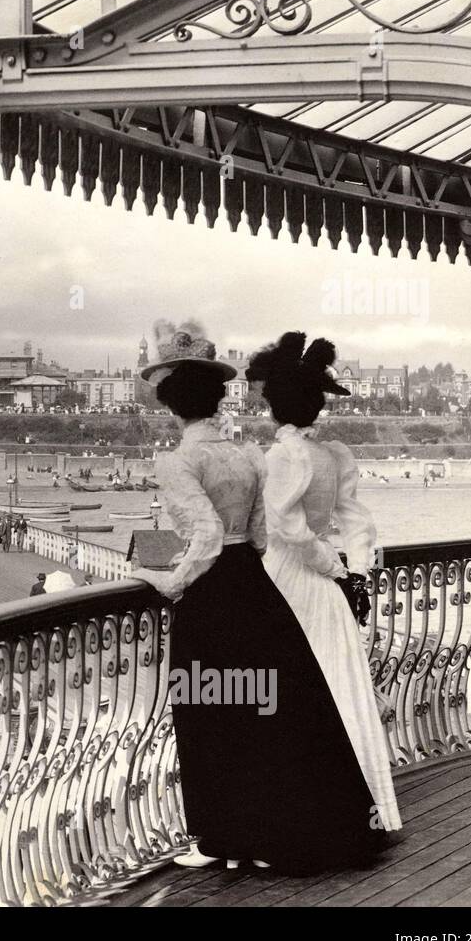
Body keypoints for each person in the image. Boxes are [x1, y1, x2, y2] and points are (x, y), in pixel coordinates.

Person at [131, 328, 381, 876]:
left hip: (213, 595)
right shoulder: (249, 456)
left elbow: (205, 537)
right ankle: (272, 834)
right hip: (256, 589)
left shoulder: (175, 462)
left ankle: (223, 836)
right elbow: (263, 534)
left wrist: (167, 581)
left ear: (171, 405)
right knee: (268, 712)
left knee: (210, 713)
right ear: (219, 401)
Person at [247, 332, 401, 838]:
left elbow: (287, 530)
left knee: (282, 692)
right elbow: (358, 524)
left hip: (286, 580)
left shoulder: (283, 457)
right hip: (325, 588)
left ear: (275, 408)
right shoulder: (333, 455)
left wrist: (335, 570)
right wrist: (354, 574)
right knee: (338, 688)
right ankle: (354, 805)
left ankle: (289, 813)